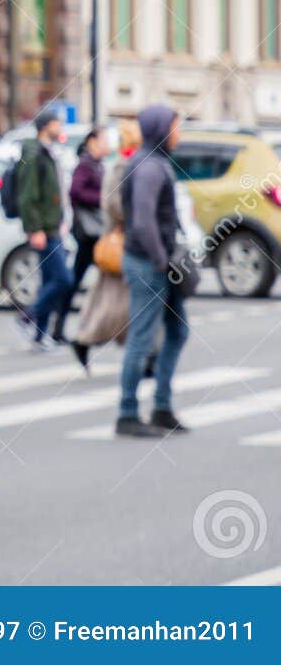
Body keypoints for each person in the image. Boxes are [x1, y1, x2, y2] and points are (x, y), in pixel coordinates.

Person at [117, 104, 192, 438]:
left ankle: (162, 407)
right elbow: (142, 221)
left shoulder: (153, 162)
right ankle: (127, 413)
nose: (179, 133)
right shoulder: (149, 167)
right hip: (150, 265)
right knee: (142, 340)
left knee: (177, 332)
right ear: (161, 129)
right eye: (176, 127)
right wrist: (162, 259)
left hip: (156, 262)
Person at [72, 121, 139, 371]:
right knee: (112, 301)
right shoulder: (120, 166)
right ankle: (85, 339)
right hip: (118, 241)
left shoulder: (118, 164)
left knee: (113, 299)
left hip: (118, 239)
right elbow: (109, 202)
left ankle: (87, 340)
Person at [19, 108, 73, 350]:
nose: (60, 127)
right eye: (56, 123)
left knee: (49, 279)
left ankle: (40, 336)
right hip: (44, 230)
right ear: (45, 127)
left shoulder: (48, 153)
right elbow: (28, 196)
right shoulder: (34, 155)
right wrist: (35, 229)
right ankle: (27, 316)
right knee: (63, 279)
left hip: (53, 226)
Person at [67, 128, 108, 326]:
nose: (107, 144)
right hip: (89, 232)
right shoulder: (86, 165)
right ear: (92, 142)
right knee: (76, 279)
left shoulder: (97, 165)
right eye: (104, 140)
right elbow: (75, 191)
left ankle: (57, 326)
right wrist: (101, 199)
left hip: (94, 232)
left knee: (78, 278)